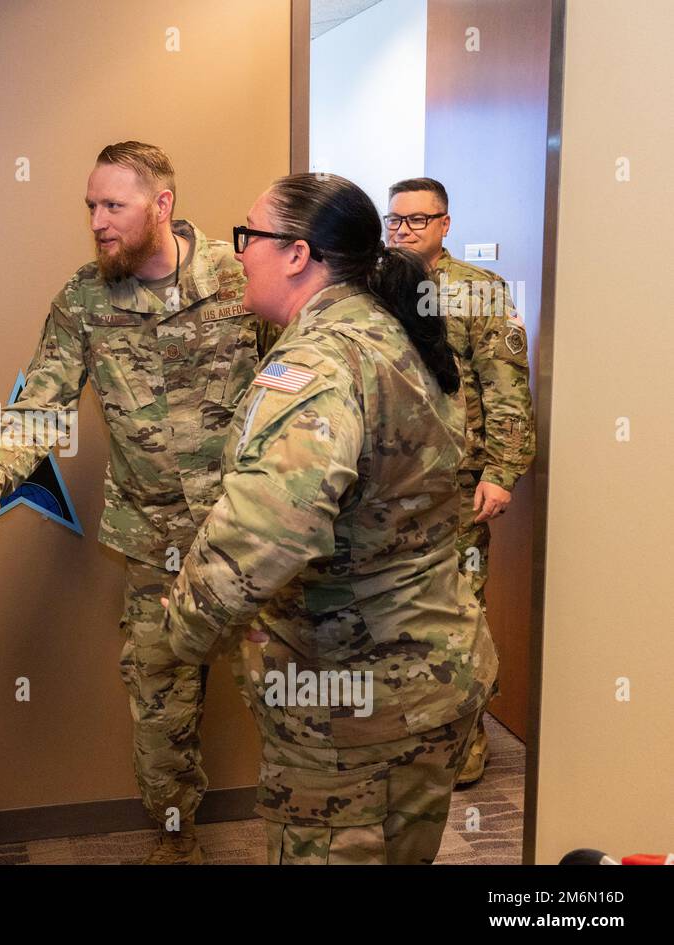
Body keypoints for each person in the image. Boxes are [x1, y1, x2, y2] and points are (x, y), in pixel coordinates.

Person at [162, 173, 498, 864]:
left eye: (247, 237)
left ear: (295, 254)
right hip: (433, 677)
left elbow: (267, 532)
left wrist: (180, 630)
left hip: (352, 708)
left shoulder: (318, 362)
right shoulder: (390, 331)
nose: (236, 253)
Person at [0, 142, 275, 863]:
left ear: (160, 205)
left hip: (252, 541)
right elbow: (40, 408)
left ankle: (302, 842)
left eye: (113, 206)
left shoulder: (238, 276)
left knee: (281, 696)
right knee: (161, 712)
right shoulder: (84, 300)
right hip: (155, 549)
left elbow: (299, 378)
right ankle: (176, 844)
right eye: (90, 207)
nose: (97, 221)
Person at [385, 177, 535, 784]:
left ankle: (466, 744)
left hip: (457, 488)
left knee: (459, 617)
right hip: (390, 490)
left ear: (446, 224)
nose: (402, 231)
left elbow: (507, 388)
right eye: (394, 220)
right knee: (393, 615)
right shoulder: (372, 289)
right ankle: (407, 740)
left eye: (417, 221)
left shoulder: (480, 294)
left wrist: (502, 473)